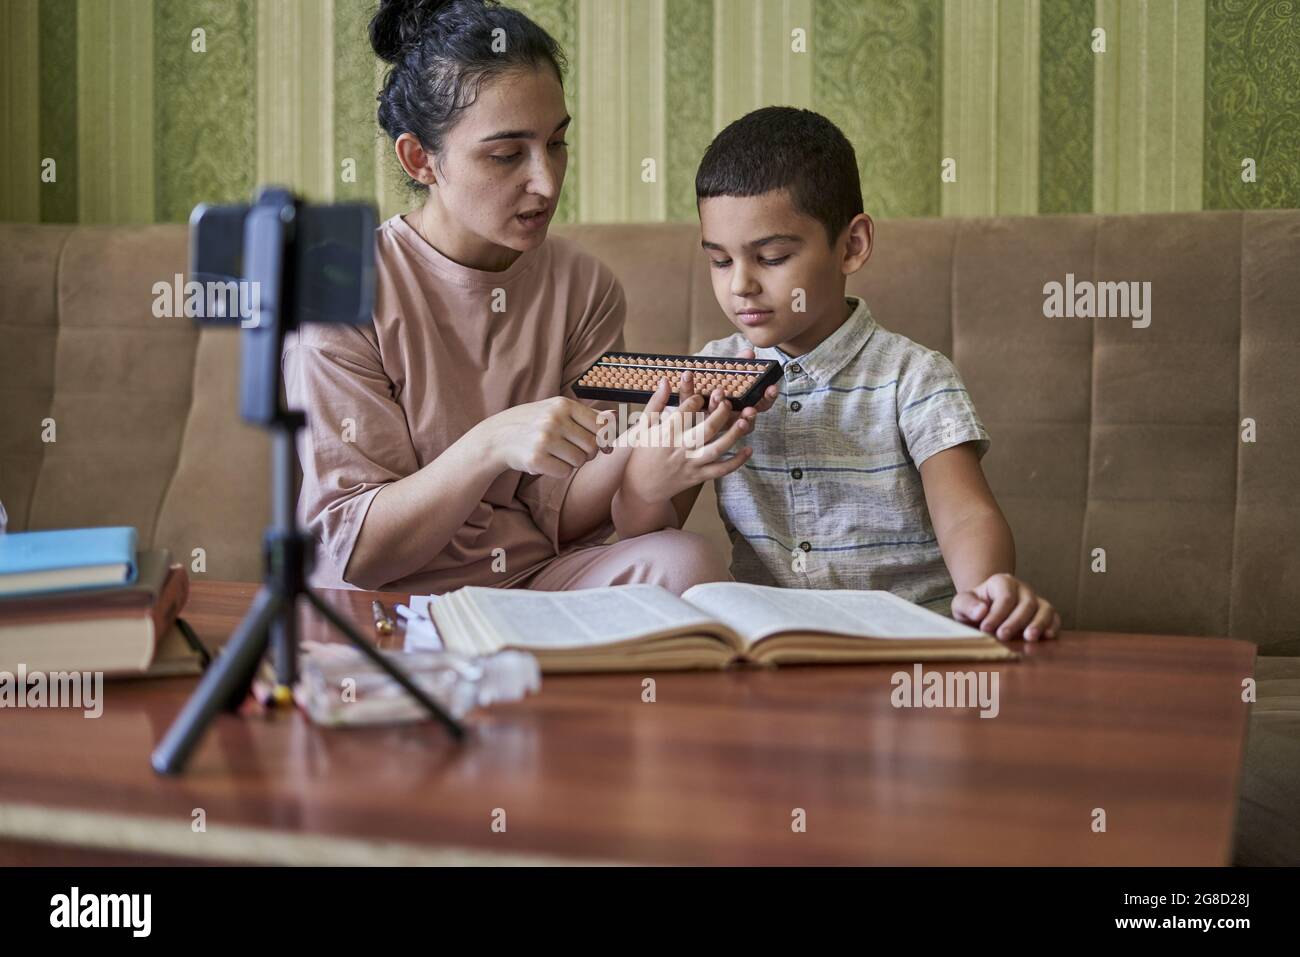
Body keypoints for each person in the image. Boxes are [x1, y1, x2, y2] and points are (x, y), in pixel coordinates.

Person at [283, 0, 777, 596]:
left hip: (533, 581)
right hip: (386, 599)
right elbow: (359, 553)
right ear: (422, 159)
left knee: (684, 562)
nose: (546, 182)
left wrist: (659, 435)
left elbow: (561, 514)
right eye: (506, 154)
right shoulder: (344, 292)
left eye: (557, 143)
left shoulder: (583, 287)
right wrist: (492, 443)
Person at [647, 107, 1059, 641]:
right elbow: (649, 536)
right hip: (767, 647)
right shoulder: (710, 377)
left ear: (852, 245)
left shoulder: (914, 377)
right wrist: (648, 469)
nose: (740, 285)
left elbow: (965, 516)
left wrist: (987, 591)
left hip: (905, 643)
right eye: (720, 261)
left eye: (771, 257)